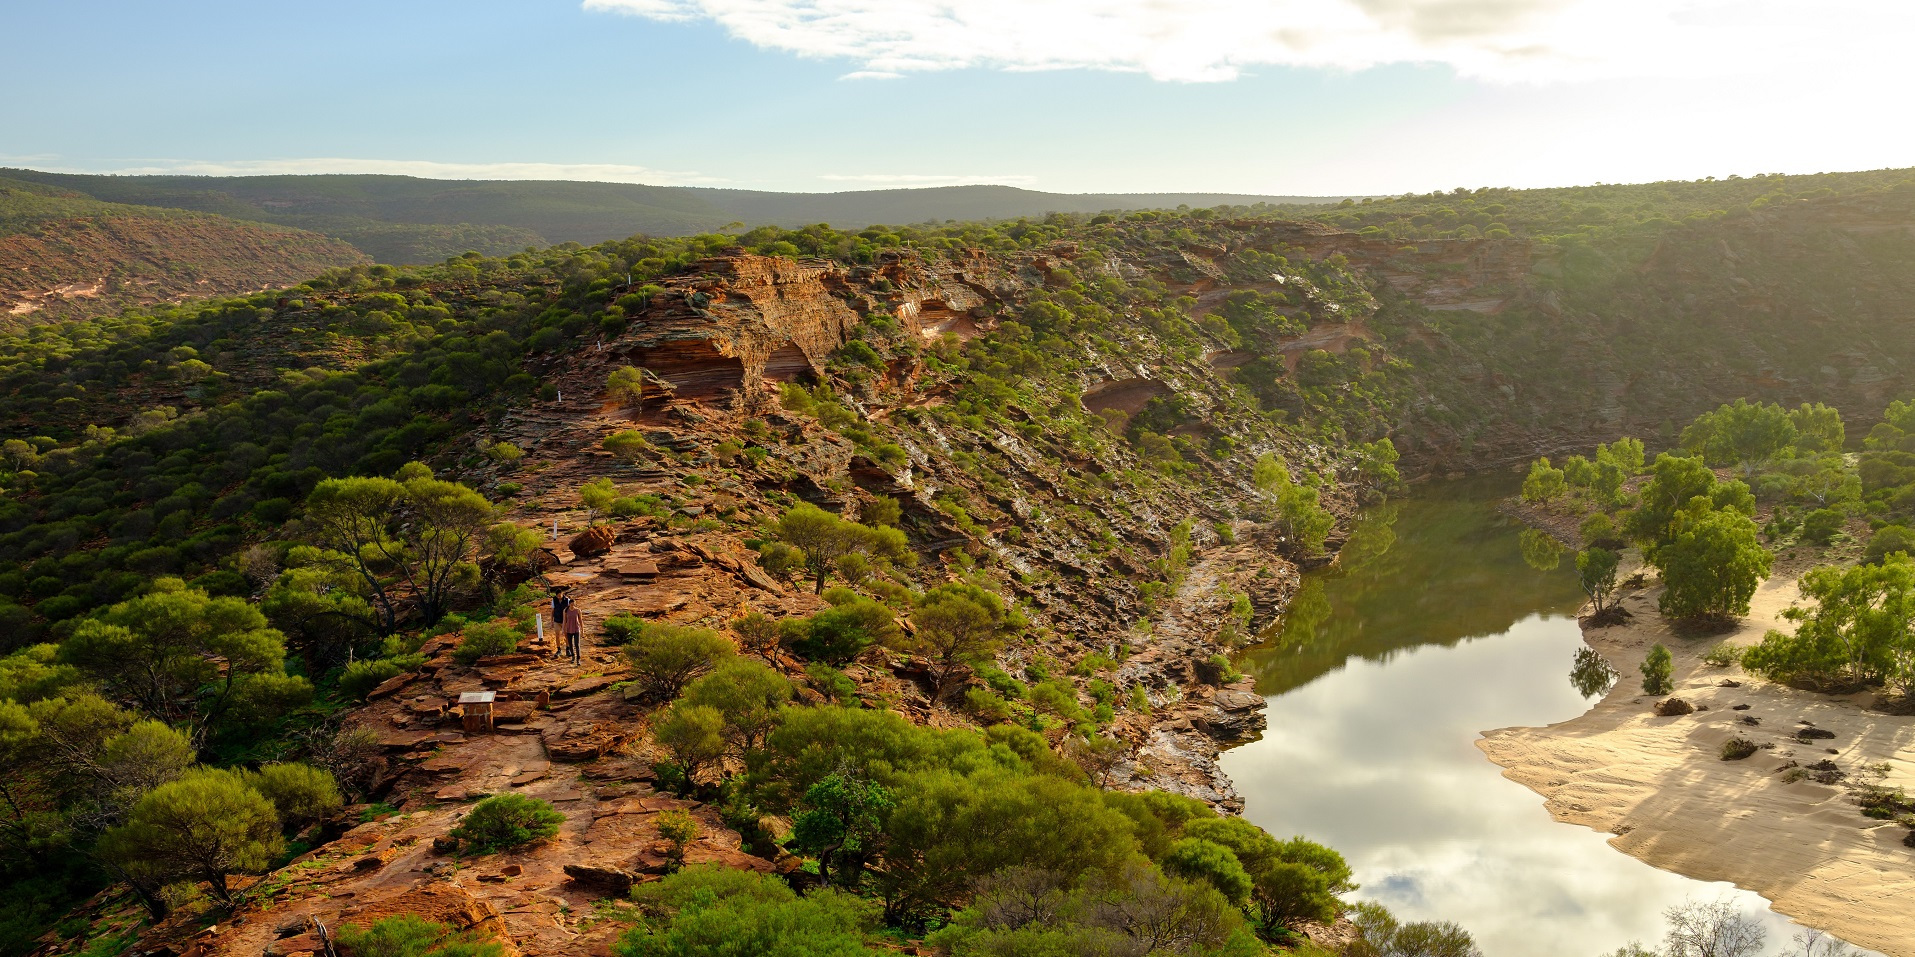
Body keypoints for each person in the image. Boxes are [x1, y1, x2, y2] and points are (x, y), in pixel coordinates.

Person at [549, 587, 573, 658]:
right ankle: (559, 649)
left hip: (565, 621)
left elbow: (570, 610)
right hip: (557, 620)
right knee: (557, 635)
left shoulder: (567, 600)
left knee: (566, 635)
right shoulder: (554, 600)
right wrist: (551, 621)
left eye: (560, 595)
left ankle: (568, 649)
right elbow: (552, 611)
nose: (559, 597)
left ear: (562, 594)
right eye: (557, 596)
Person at [563, 599, 584, 666]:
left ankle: (578, 659)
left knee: (577, 644)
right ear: (569, 604)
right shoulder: (566, 611)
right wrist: (563, 629)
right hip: (569, 629)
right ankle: (573, 656)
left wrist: (582, 630)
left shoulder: (578, 610)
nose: (572, 605)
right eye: (571, 604)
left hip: (576, 629)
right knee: (570, 644)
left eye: (573, 604)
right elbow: (564, 620)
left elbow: (580, 620)